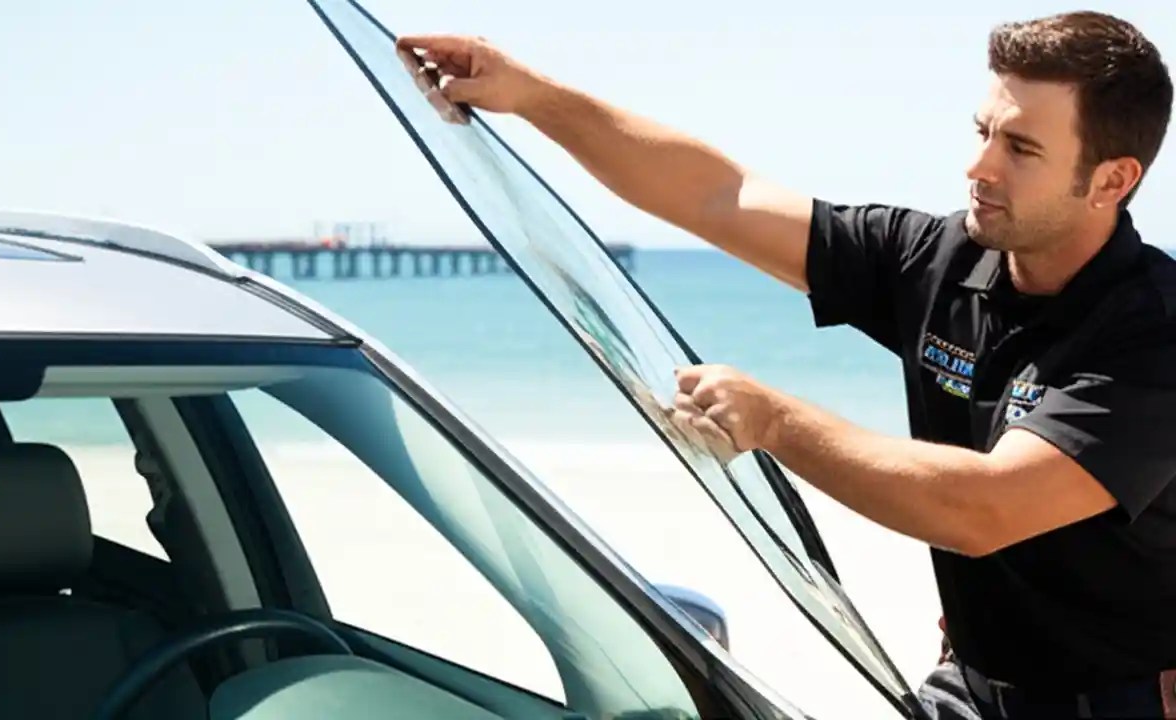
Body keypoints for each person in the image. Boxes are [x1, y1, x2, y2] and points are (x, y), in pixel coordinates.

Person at [398, 9, 1176, 720]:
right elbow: (720, 196)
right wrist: (530, 95)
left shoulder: (1153, 334)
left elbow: (982, 511)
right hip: (969, 686)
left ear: (1112, 180)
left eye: (1021, 149)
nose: (980, 167)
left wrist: (775, 421)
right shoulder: (940, 259)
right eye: (983, 132)